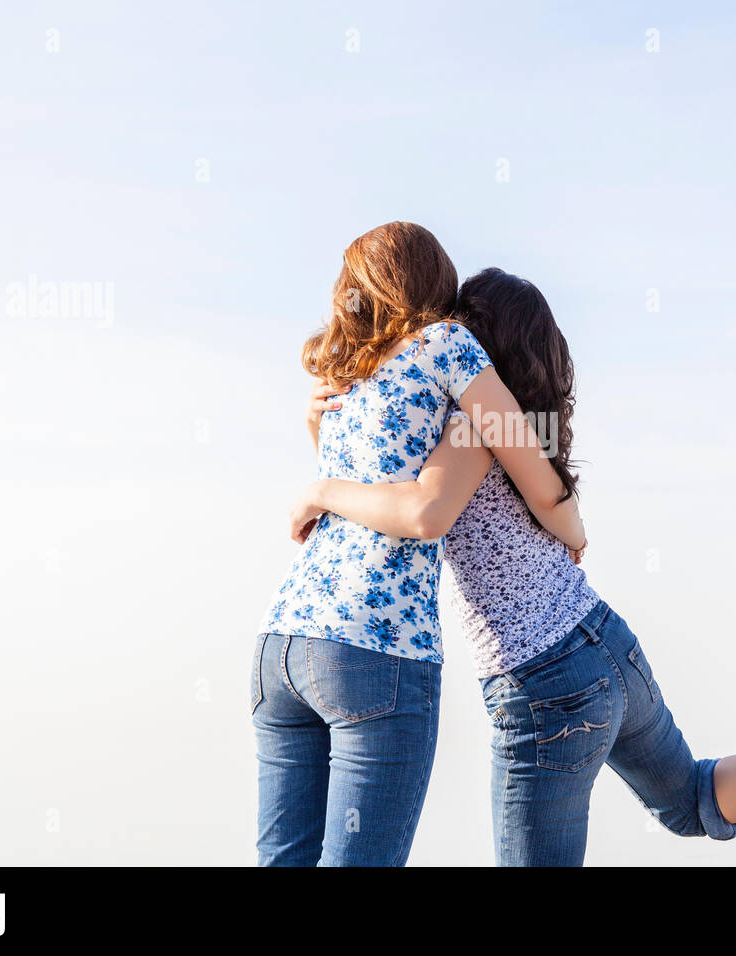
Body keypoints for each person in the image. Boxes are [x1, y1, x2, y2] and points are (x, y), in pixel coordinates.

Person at [287, 267, 736, 866]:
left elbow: (409, 504)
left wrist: (326, 451)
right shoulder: (524, 433)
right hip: (604, 643)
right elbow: (552, 506)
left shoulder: (465, 433)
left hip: (539, 684)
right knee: (690, 800)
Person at [252, 228, 585, 866]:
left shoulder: (344, 377)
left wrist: (318, 457)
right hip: (373, 648)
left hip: (282, 646)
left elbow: (369, 478)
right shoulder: (445, 344)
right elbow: (519, 459)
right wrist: (573, 530)